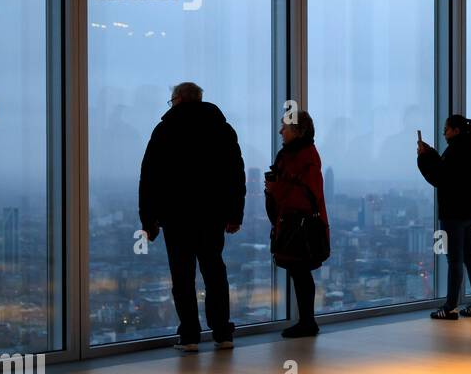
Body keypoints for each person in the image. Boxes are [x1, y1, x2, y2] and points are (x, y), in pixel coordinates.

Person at [139, 81, 245, 352]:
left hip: (177, 217)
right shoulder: (221, 129)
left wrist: (148, 220)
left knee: (183, 277)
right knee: (214, 273)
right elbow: (235, 175)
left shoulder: (165, 130)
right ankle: (222, 333)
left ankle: (189, 337)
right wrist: (235, 214)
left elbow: (150, 178)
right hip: (212, 216)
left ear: (177, 100)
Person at [417, 115, 471, 319]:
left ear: (456, 131)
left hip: (453, 213)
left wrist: (423, 157)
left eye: (447, 129)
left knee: (454, 260)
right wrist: (431, 154)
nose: (444, 132)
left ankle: (450, 307)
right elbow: (448, 172)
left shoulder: (455, 151)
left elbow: (439, 177)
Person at [265, 110, 329, 338]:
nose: (281, 131)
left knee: (300, 272)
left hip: (299, 227)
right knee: (299, 272)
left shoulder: (304, 158)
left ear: (298, 131)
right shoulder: (296, 155)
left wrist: (275, 189)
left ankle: (307, 322)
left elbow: (306, 198)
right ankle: (306, 321)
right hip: (294, 225)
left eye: (285, 127)